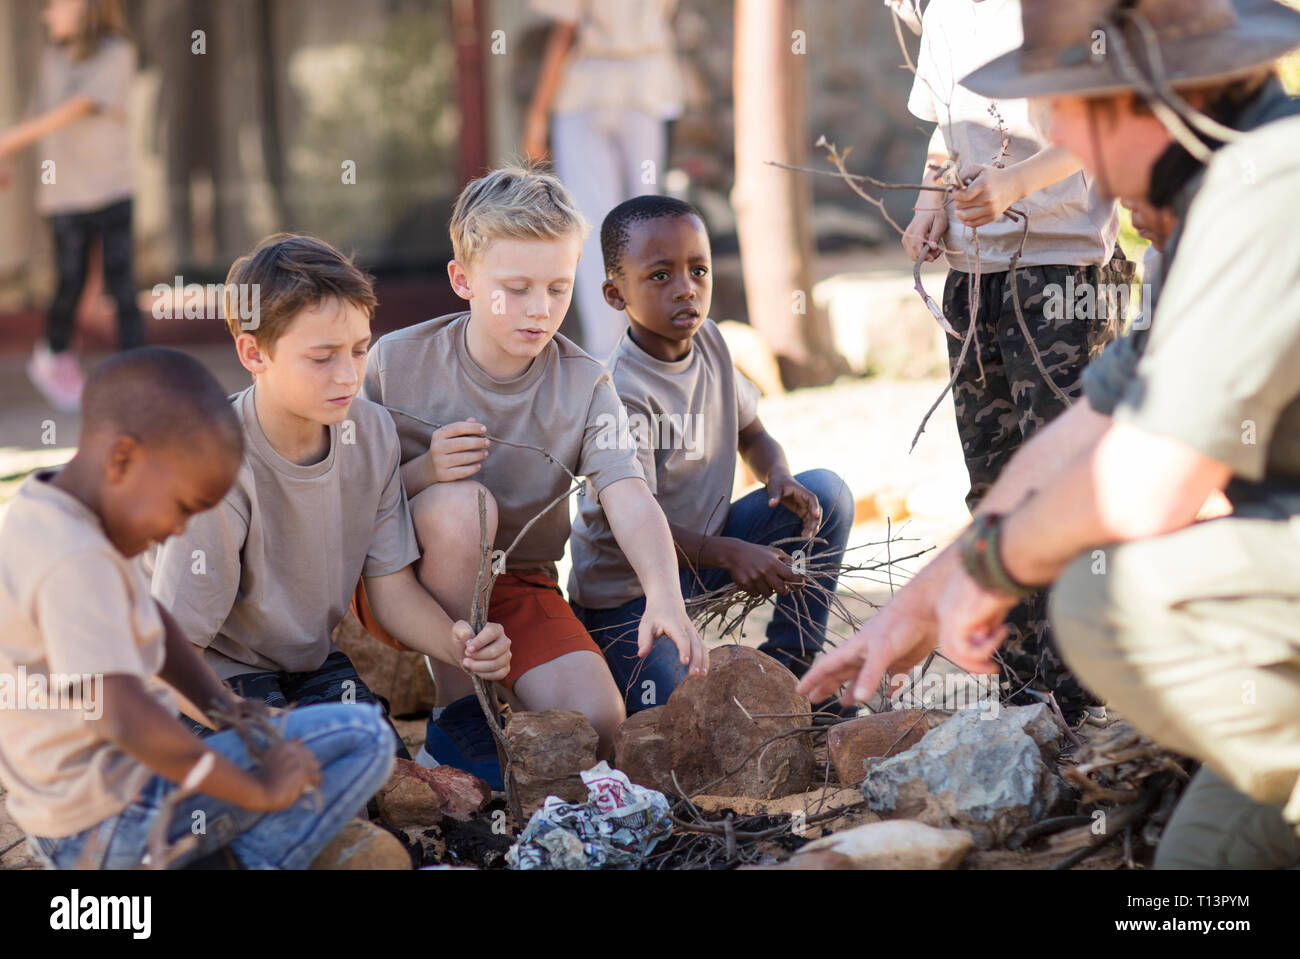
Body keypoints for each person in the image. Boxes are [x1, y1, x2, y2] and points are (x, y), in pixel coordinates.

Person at [800, 0, 1300, 870]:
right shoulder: (1212, 196)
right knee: (1199, 881)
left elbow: (1148, 480)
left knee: (1106, 601)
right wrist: (921, 603)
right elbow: (1089, 426)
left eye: (1067, 112)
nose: (1070, 157)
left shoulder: (1271, 188)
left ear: (1140, 95)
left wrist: (995, 568)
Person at [357, 166, 708, 781]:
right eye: (515, 288)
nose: (539, 310)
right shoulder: (395, 361)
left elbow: (628, 495)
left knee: (599, 725)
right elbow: (348, 487)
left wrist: (665, 595)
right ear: (462, 280)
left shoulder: (584, 382)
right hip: (391, 572)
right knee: (463, 505)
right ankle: (458, 706)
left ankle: (502, 702)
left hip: (513, 582)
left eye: (557, 288)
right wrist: (422, 472)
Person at [0, 348, 396, 870]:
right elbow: (129, 721)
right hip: (111, 821)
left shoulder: (53, 508)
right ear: (122, 458)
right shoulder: (75, 562)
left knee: (322, 743)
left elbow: (156, 627)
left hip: (74, 821)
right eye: (183, 507)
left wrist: (227, 711)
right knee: (364, 735)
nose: (181, 529)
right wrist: (261, 792)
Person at [148, 234, 510, 762]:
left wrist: (463, 644)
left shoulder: (371, 432)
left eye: (359, 350)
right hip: (207, 672)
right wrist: (265, 729)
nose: (348, 375)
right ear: (254, 353)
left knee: (377, 768)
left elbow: (392, 590)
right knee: (286, 781)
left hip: (307, 664)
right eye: (321, 358)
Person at [899, 0, 1133, 721]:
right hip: (974, 278)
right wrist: (930, 203)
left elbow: (1104, 128)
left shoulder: (1062, 11)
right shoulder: (943, 15)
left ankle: (1082, 696)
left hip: (1061, 270)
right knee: (992, 483)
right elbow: (947, 132)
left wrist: (1015, 185)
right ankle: (1020, 693)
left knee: (1061, 488)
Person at [568, 195, 854, 715]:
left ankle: (795, 665)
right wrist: (730, 553)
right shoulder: (620, 391)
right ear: (615, 293)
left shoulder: (713, 342)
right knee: (686, 712)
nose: (686, 288)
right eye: (660, 276)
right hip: (626, 595)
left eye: (698, 269)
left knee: (827, 494)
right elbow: (634, 520)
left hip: (702, 560)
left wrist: (778, 474)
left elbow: (754, 433)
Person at [0, 0, 142, 411]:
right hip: (63, 195)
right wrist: (9, 154)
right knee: (70, 280)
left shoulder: (118, 53)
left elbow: (79, 106)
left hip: (113, 188)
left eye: (56, 6)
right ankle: (53, 355)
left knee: (123, 286)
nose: (48, 14)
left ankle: (143, 372)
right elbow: (39, 112)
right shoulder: (52, 57)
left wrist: (8, 141)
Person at [523, 0, 683, 359]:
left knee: (591, 224)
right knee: (646, 219)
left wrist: (537, 115)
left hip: (588, 90)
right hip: (647, 87)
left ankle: (607, 352)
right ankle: (654, 343)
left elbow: (565, 31)